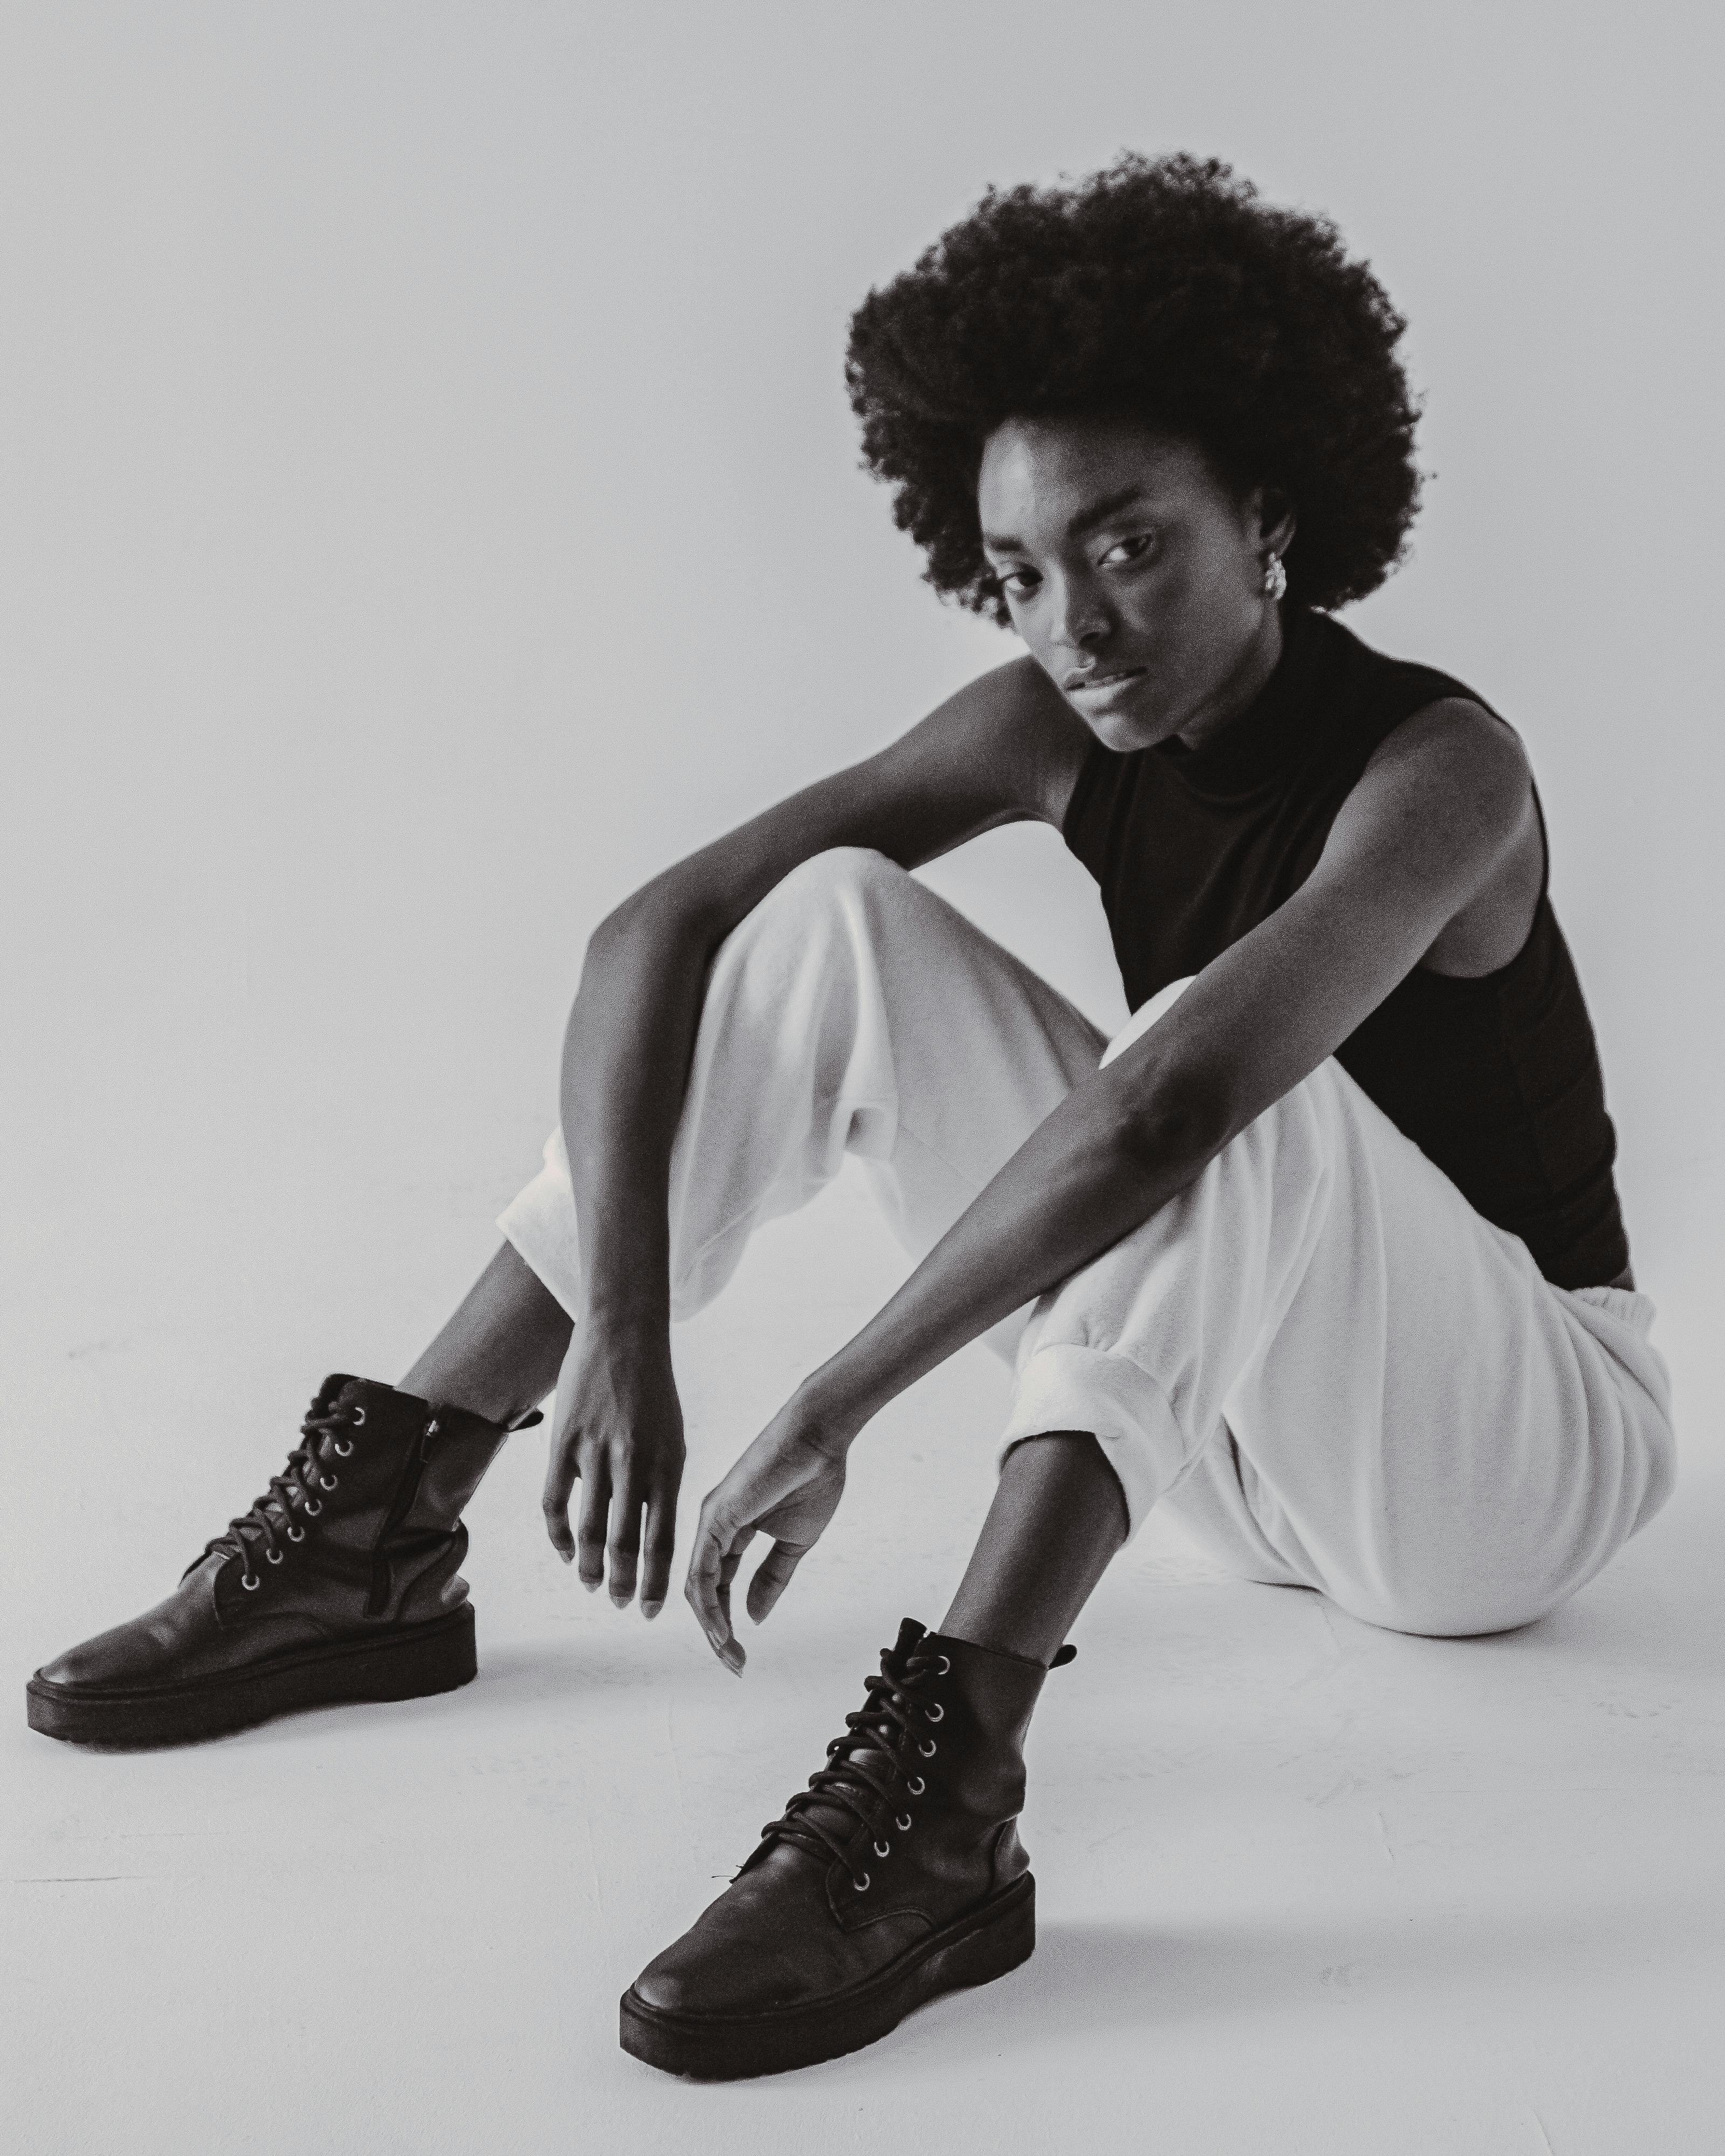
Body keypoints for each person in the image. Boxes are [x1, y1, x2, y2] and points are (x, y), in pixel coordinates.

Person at [27, 153, 1673, 2081]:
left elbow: (1182, 1106)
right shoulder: (1049, 726)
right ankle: (388, 1518)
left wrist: (829, 1402)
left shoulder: (1444, 769)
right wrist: (631, 1329)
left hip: (1515, 1467)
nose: (1076, 623)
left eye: (1131, 546)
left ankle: (949, 1798)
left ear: (1272, 512)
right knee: (830, 927)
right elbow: (661, 931)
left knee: (1232, 1080)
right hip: (1231, 1438)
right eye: (1021, 575)